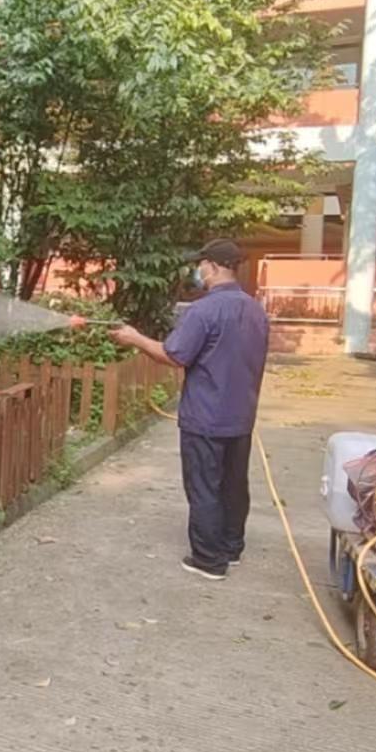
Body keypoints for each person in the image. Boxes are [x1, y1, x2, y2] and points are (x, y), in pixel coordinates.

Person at [108, 238, 269, 582]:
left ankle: (209, 560)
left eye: (201, 264)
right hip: (241, 415)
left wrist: (134, 338)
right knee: (233, 484)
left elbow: (174, 355)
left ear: (212, 266)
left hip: (206, 416)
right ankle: (231, 547)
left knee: (204, 487)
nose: (198, 270)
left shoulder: (204, 311)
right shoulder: (255, 310)